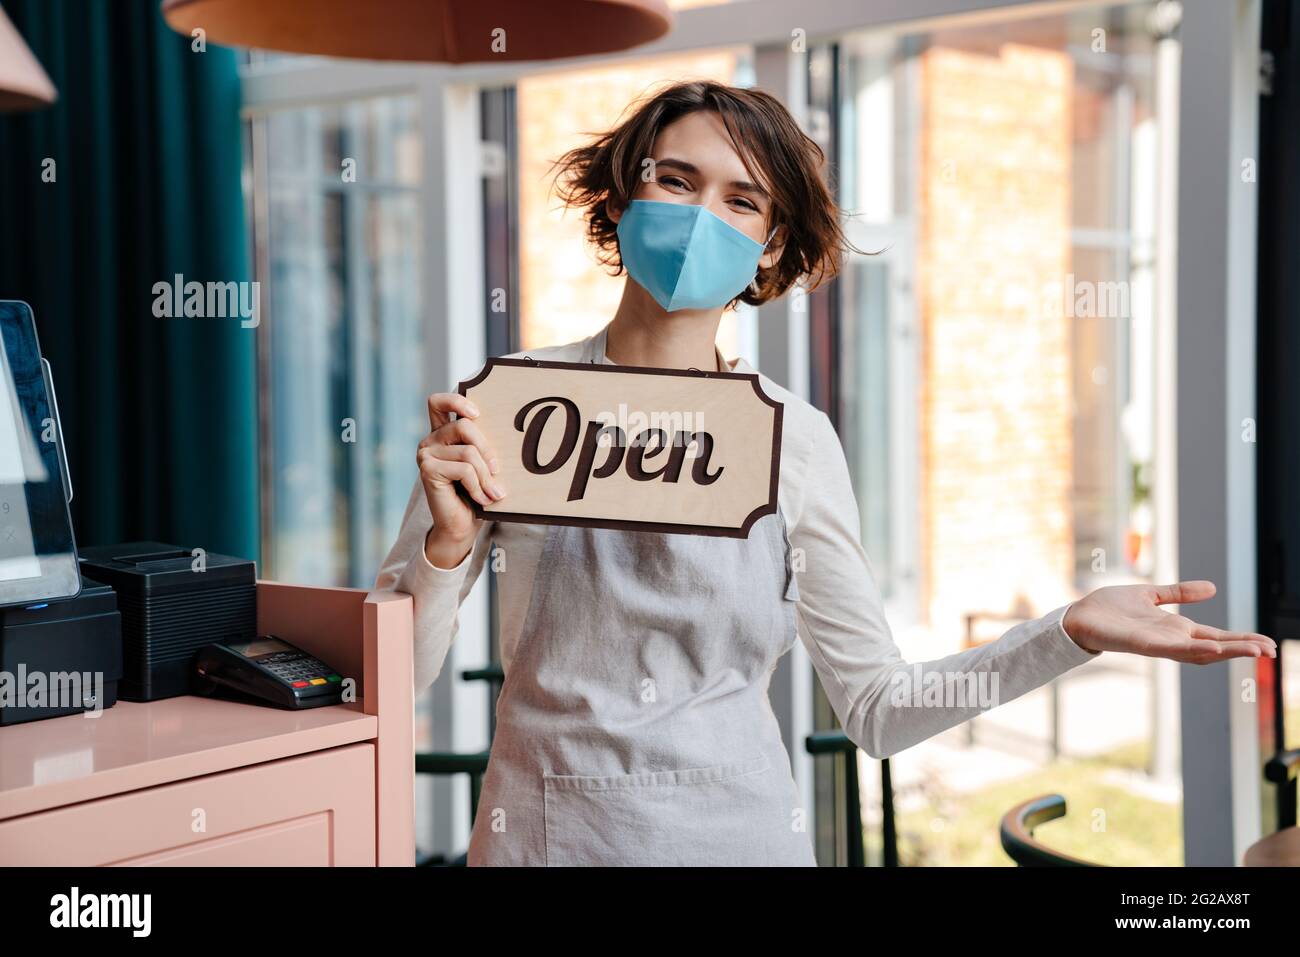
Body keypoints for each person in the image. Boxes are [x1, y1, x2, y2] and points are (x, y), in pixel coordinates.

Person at [375, 80, 1276, 866]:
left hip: (739, 845)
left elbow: (879, 708)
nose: (699, 217)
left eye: (741, 202)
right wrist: (448, 550)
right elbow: (395, 682)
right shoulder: (508, 410)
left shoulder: (792, 440)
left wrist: (1067, 630)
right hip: (542, 841)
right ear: (621, 195)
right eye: (675, 181)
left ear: (770, 246)